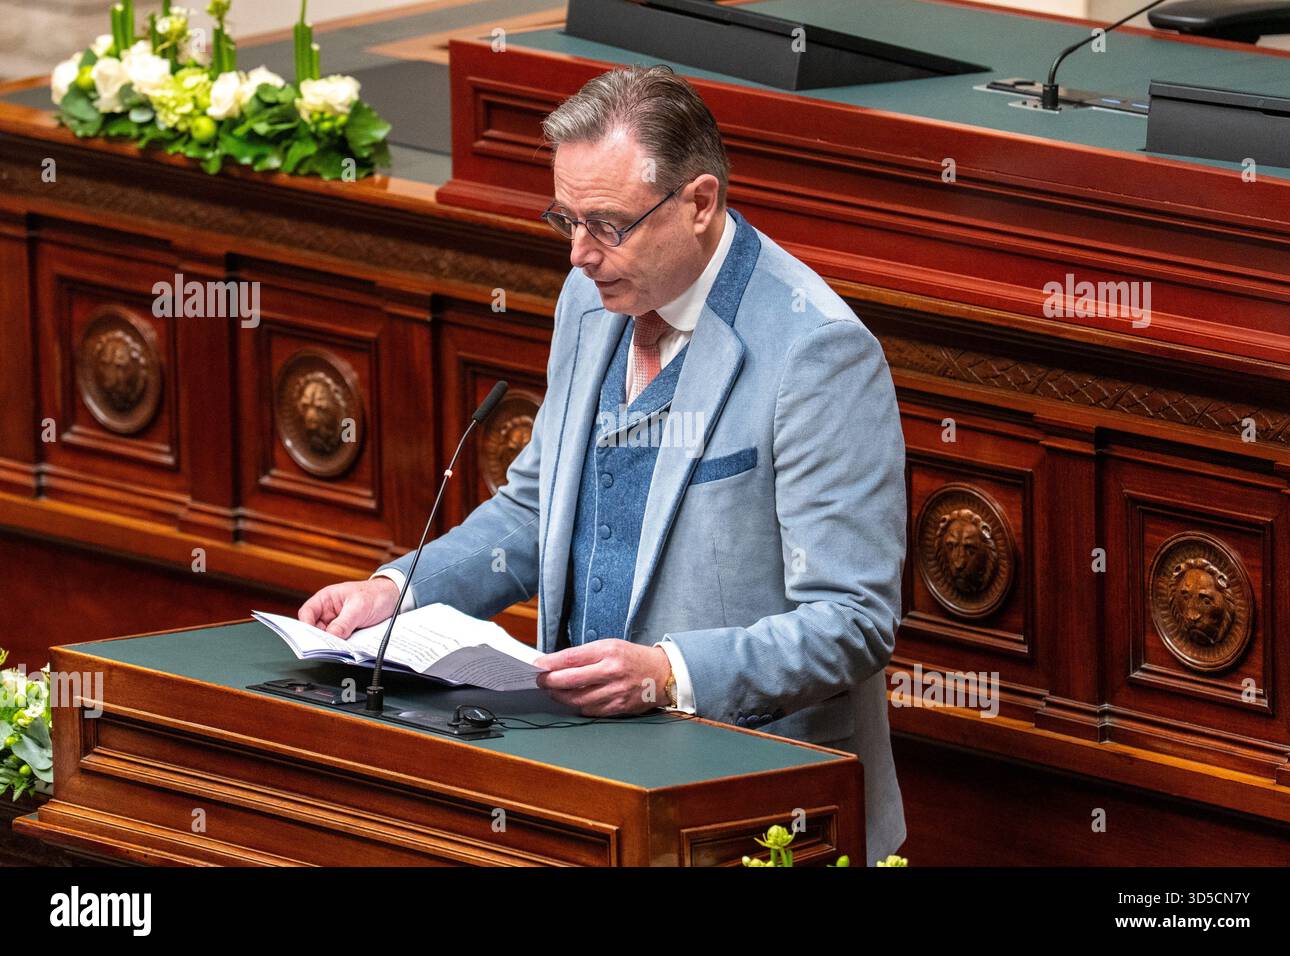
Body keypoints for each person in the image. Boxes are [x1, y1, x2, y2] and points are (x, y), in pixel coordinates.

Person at [298, 64, 908, 862]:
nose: (581, 253)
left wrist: (666, 673)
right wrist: (397, 592)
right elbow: (532, 511)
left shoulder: (816, 351)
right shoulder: (592, 302)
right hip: (587, 786)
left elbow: (852, 622)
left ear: (699, 204)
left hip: (752, 805)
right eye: (566, 219)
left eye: (608, 224)